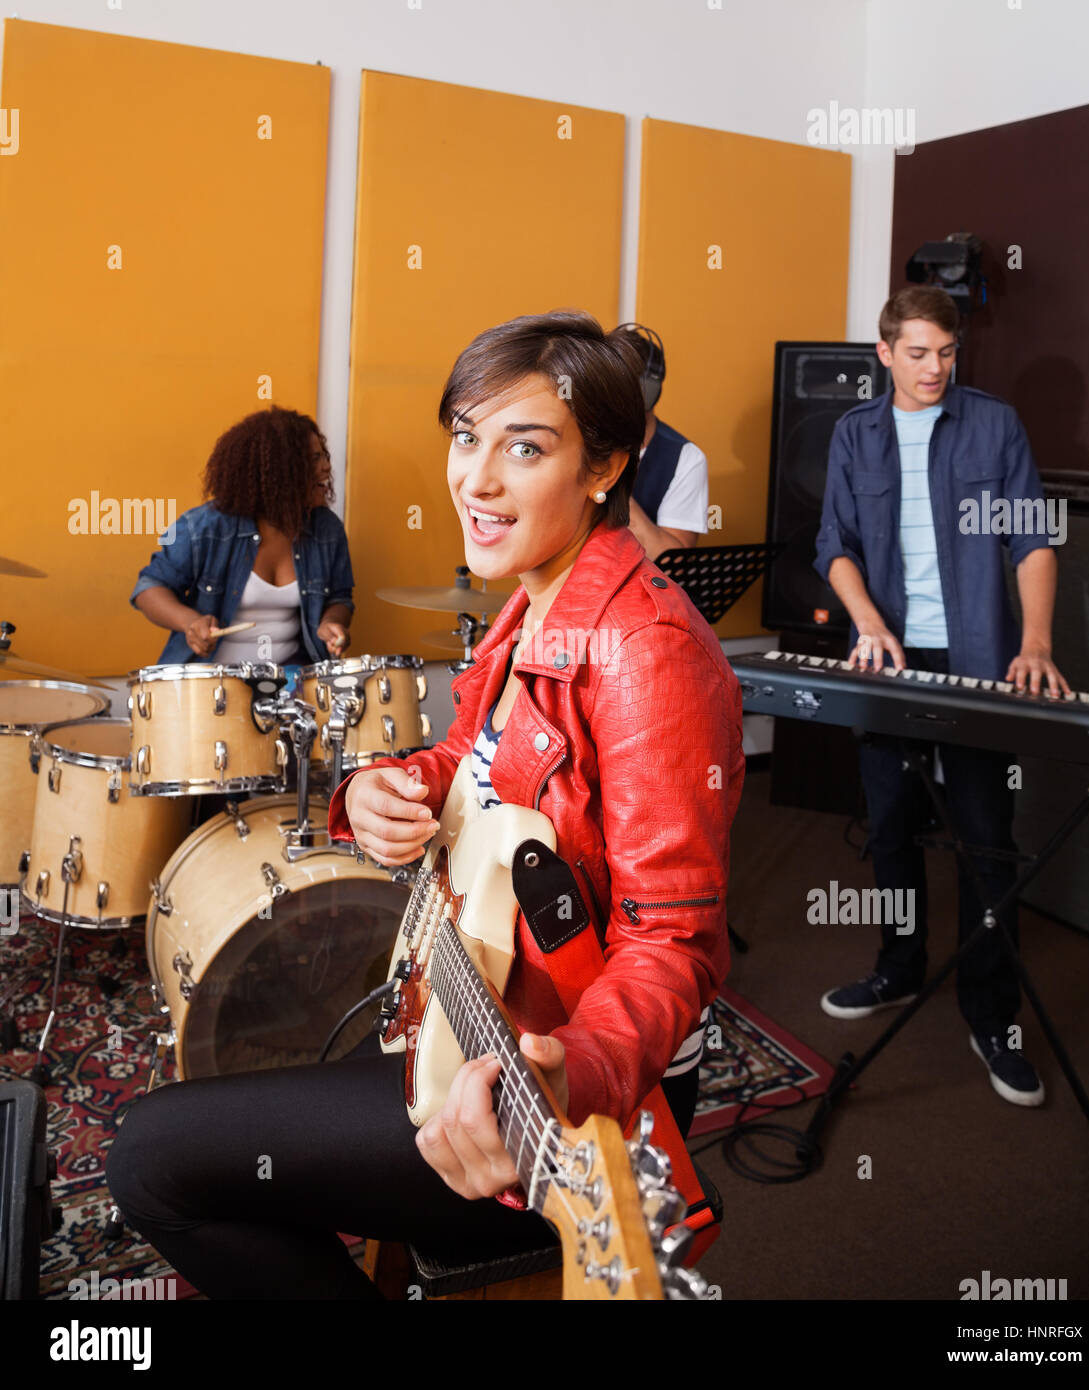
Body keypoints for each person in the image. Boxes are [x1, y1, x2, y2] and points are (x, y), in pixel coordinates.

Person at [105, 309, 745, 1298]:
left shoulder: (646, 652)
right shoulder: (535, 598)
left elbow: (675, 946)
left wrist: (566, 1069)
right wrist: (373, 788)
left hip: (560, 1090)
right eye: (465, 437)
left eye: (523, 448)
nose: (476, 480)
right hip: (472, 993)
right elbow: (466, 758)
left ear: (606, 464)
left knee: (150, 1160)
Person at [814, 285, 1069, 1107]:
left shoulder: (993, 424)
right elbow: (836, 548)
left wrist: (1034, 643)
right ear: (884, 353)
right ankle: (898, 965)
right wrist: (865, 625)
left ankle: (992, 1014)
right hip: (889, 657)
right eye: (918, 353)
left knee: (986, 837)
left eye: (947, 353)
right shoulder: (854, 433)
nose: (935, 368)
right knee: (889, 824)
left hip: (978, 656)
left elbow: (1032, 538)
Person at [130, 406, 353, 670]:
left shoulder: (326, 530)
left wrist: (330, 623)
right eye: (314, 459)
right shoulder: (205, 527)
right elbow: (149, 588)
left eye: (323, 456)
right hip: (211, 681)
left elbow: (340, 597)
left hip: (290, 679)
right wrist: (190, 622)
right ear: (279, 473)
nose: (326, 467)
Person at [609, 323, 709, 559]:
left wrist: (612, 488)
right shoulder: (576, 440)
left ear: (649, 389)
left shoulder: (685, 458)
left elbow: (673, 561)